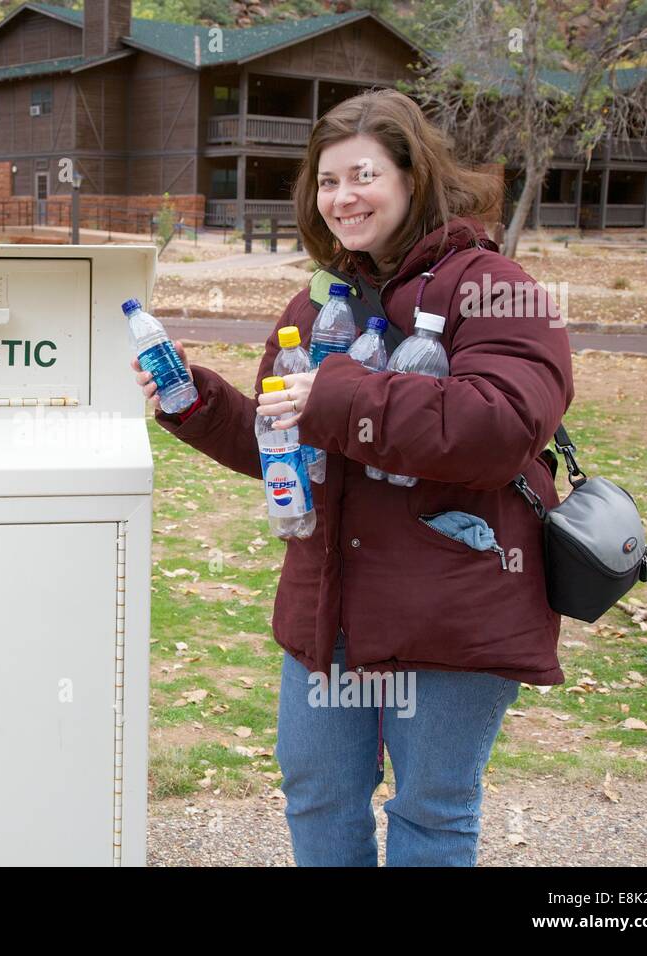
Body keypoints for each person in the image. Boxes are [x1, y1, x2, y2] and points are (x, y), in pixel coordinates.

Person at [132, 89, 574, 866]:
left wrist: (335, 394)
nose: (341, 198)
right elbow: (279, 446)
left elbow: (501, 427)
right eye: (326, 182)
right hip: (328, 603)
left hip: (451, 604)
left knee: (431, 812)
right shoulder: (316, 300)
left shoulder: (493, 287)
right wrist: (197, 400)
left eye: (361, 175)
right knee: (317, 793)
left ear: (412, 176)